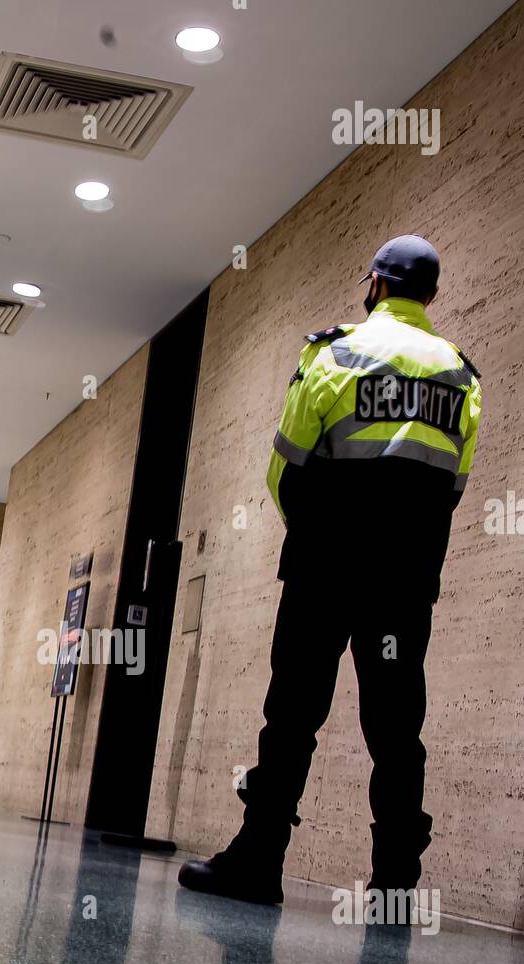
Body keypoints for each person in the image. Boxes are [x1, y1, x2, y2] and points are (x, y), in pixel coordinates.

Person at [178, 235, 482, 917]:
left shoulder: (334, 353)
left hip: (324, 569)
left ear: (373, 283)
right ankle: (396, 887)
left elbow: (284, 466)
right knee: (397, 729)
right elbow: (453, 486)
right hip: (404, 586)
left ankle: (258, 862)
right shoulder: (462, 376)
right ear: (430, 296)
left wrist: (315, 535)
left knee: (292, 717)